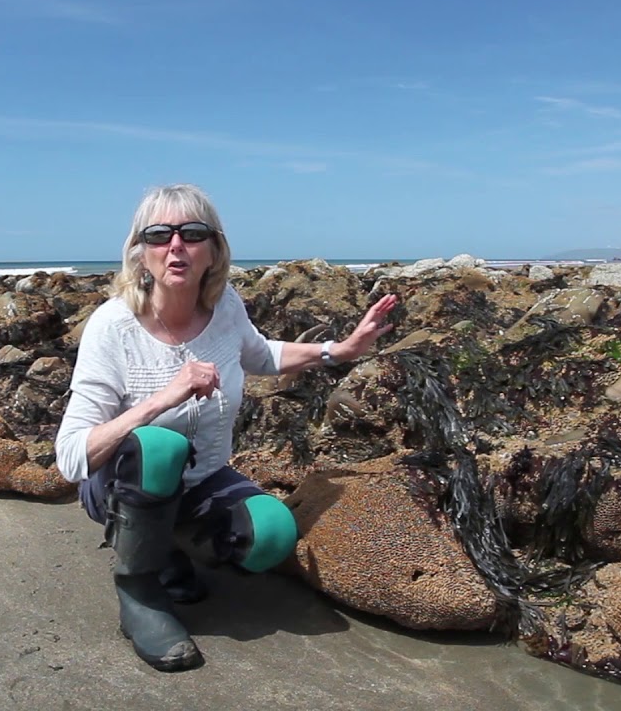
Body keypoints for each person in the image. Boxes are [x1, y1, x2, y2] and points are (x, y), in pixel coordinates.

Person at [54, 183, 397, 672]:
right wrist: (163, 398)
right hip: (120, 485)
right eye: (159, 235)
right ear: (140, 252)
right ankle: (139, 590)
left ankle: (165, 546)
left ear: (214, 250)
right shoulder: (113, 327)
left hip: (203, 482)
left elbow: (260, 355)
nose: (176, 246)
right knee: (159, 445)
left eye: (192, 233)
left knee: (273, 535)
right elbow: (71, 456)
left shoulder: (226, 307)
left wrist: (336, 351)